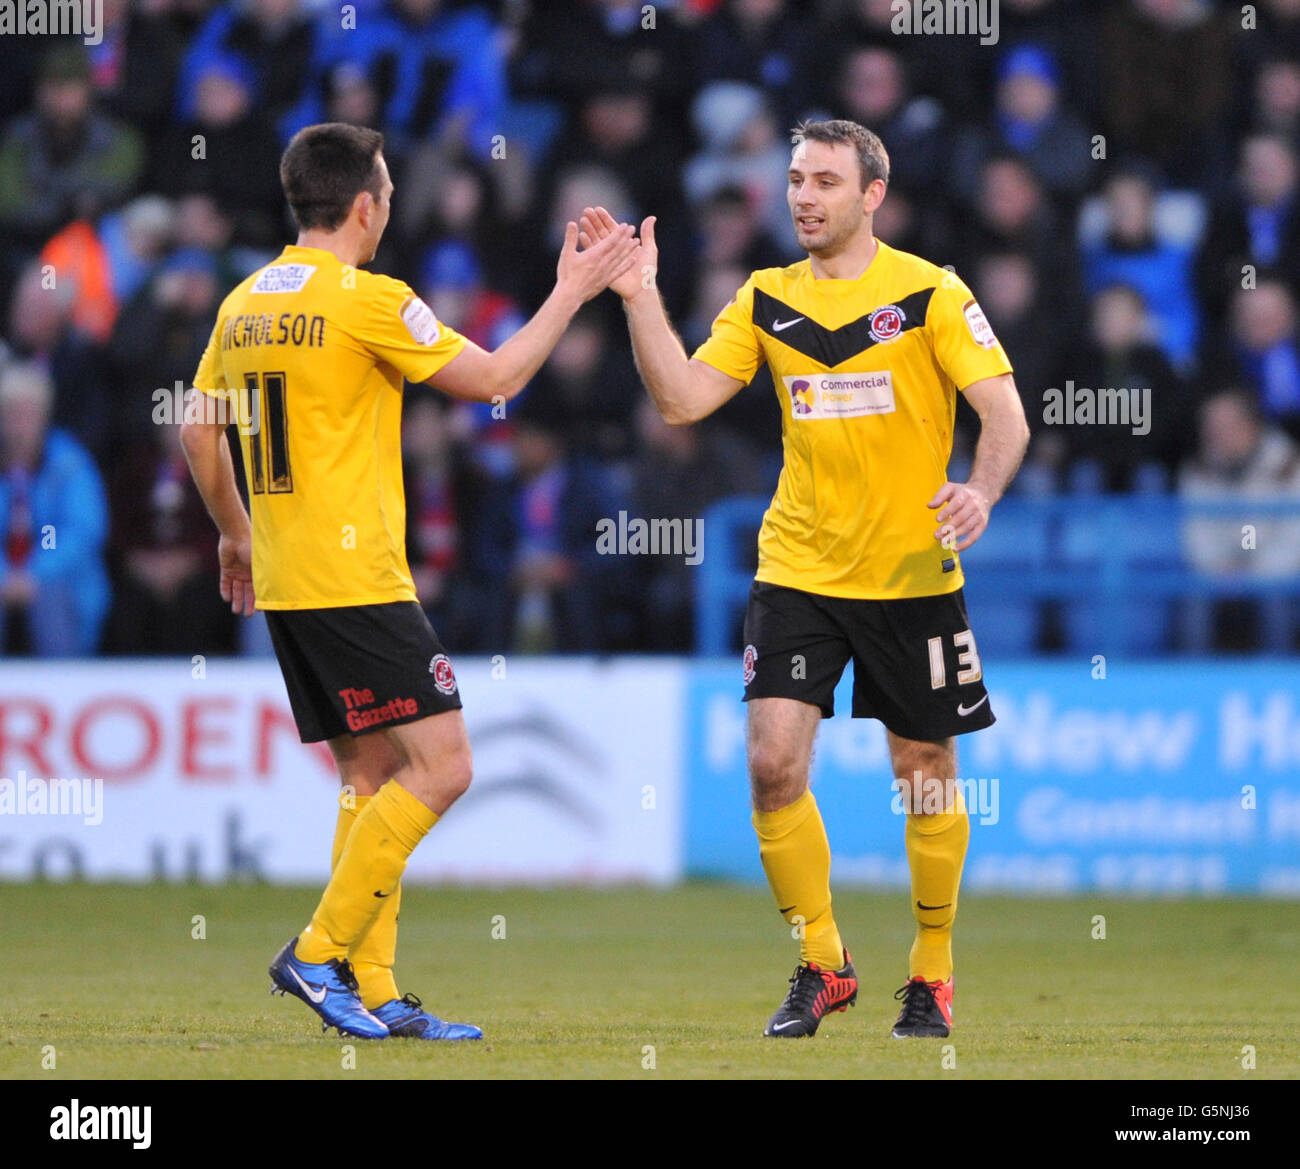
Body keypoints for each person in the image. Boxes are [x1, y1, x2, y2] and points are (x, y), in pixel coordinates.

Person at [180, 122, 636, 1041]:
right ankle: (317, 952)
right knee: (447, 766)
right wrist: (572, 288)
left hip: (290, 576)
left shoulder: (242, 303)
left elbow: (197, 426)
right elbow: (499, 375)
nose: (389, 206)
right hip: (358, 576)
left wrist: (235, 535)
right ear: (364, 206)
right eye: (386, 193)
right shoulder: (371, 300)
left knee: (369, 773)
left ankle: (375, 986)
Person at [587, 118, 1029, 1039]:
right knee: (771, 763)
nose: (803, 197)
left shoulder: (929, 292)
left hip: (911, 573)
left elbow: (1006, 417)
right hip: (798, 569)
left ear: (872, 194)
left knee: (926, 778)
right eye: (795, 179)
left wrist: (980, 492)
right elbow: (680, 399)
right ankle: (823, 961)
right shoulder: (763, 298)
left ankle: (933, 972)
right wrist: (638, 296)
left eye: (825, 181)